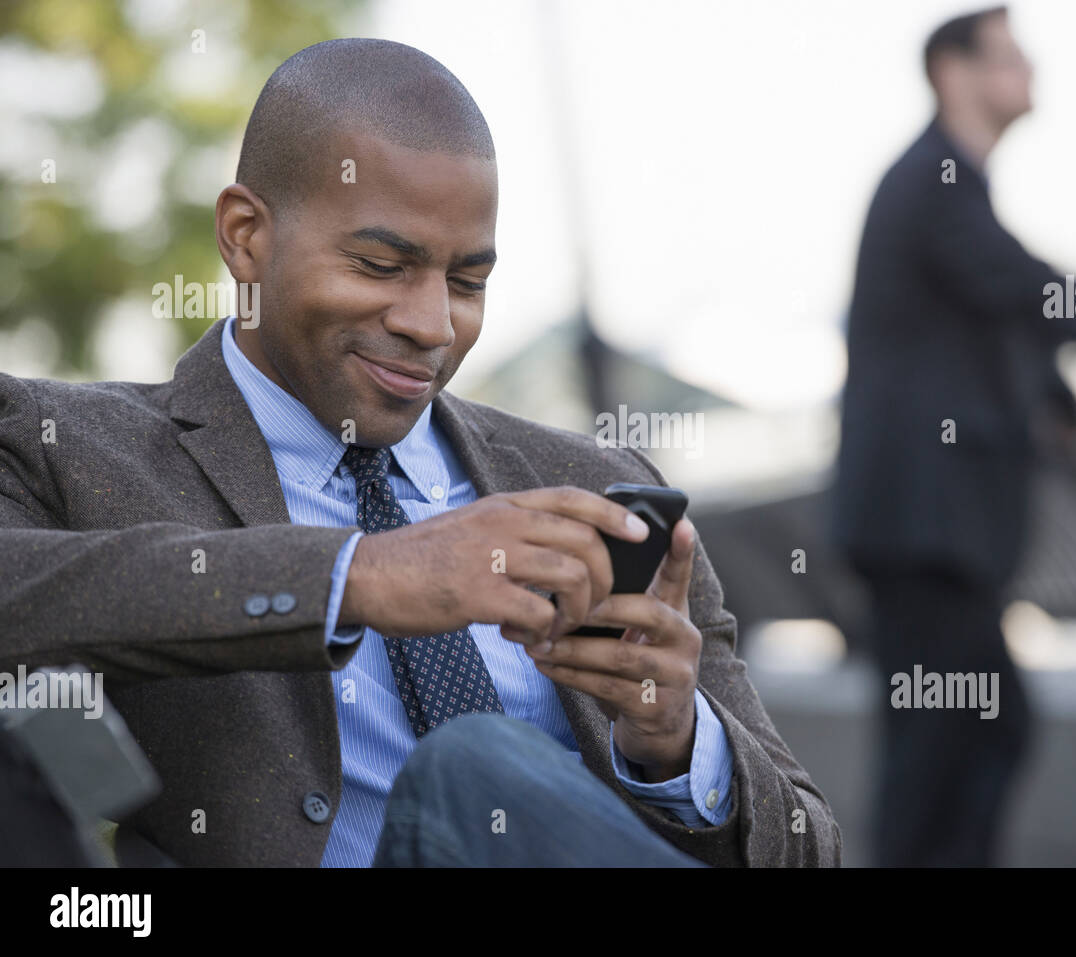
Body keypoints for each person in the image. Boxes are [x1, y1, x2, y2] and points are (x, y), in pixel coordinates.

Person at [0, 38, 841, 868]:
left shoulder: (590, 486)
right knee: (470, 766)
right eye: (381, 264)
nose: (434, 325)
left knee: (486, 769)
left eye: (468, 283)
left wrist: (679, 746)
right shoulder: (72, 449)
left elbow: (813, 846)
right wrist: (361, 576)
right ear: (247, 235)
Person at [831, 7, 1076, 866]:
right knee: (954, 743)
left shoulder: (942, 188)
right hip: (925, 532)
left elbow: (983, 313)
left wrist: (1058, 400)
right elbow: (1026, 285)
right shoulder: (933, 180)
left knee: (968, 738)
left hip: (928, 533)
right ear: (952, 72)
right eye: (1010, 57)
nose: (1030, 70)